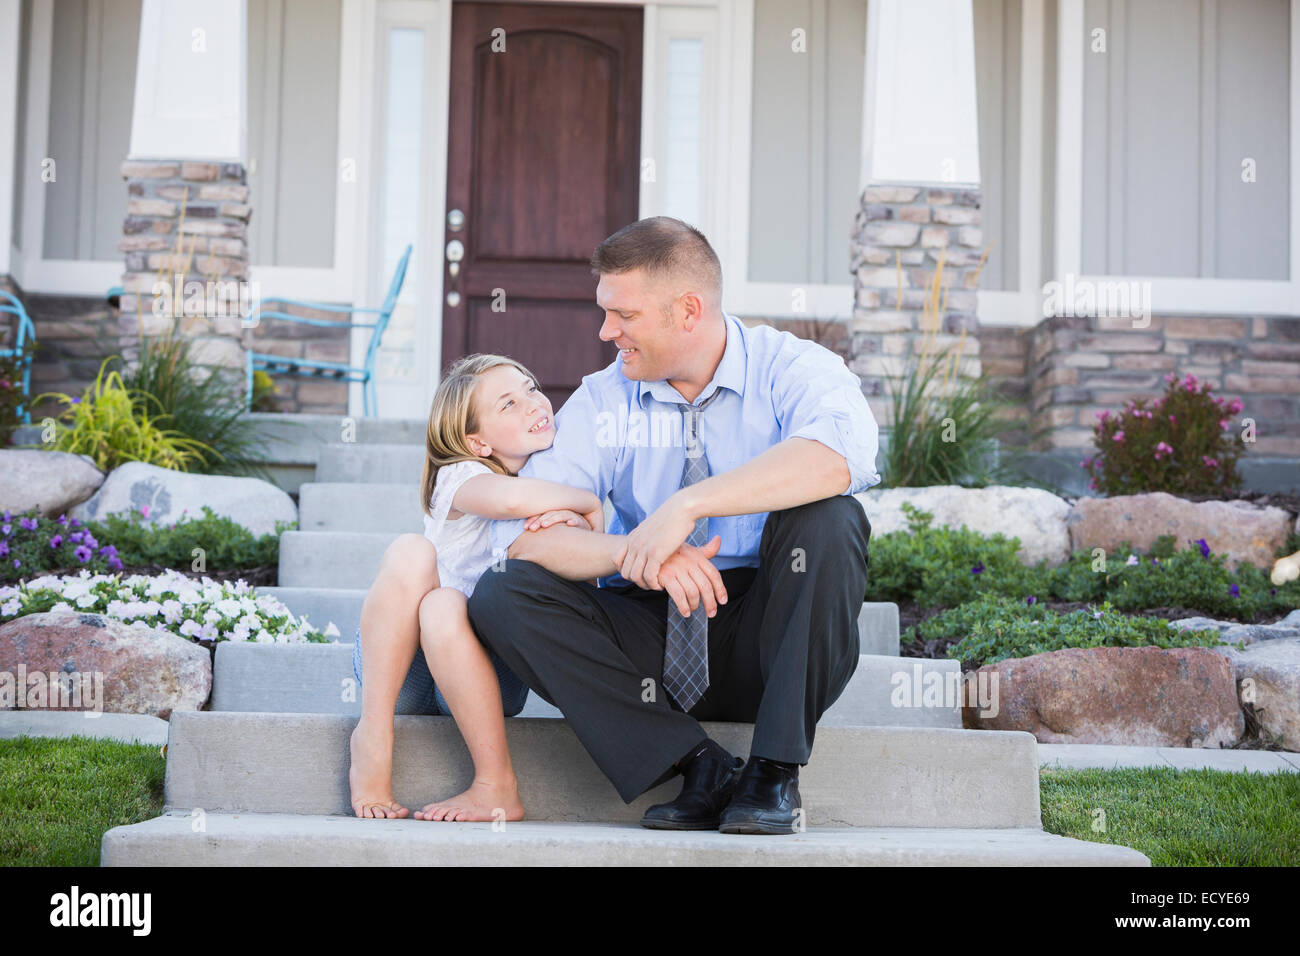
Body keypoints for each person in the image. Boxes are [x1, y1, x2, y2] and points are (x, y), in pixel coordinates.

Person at [468, 216, 880, 834]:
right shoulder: (605, 399)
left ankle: (773, 773)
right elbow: (526, 538)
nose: (606, 331)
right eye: (605, 313)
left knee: (831, 517)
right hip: (648, 633)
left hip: (773, 635)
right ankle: (701, 766)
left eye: (623, 315)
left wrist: (682, 509)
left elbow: (839, 455)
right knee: (505, 589)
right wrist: (638, 550)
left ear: (687, 310)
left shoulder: (791, 367)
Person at [347, 353, 605, 822]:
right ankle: (374, 734)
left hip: (488, 679)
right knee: (412, 553)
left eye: (530, 387)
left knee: (447, 606)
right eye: (508, 403)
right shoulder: (461, 476)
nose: (532, 403)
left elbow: (580, 582)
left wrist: (579, 523)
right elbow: (508, 500)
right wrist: (587, 503)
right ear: (476, 442)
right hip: (404, 675)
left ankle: (496, 784)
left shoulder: (554, 478)